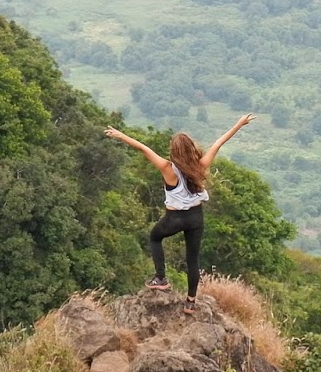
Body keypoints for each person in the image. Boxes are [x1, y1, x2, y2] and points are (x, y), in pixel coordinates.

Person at [103, 114, 255, 314]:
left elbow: (143, 148)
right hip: (196, 218)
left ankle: (161, 278)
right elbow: (218, 143)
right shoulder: (200, 165)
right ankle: (191, 302)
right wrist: (239, 124)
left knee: (155, 237)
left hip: (174, 218)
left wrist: (120, 135)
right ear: (191, 148)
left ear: (174, 151)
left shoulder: (168, 168)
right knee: (193, 258)